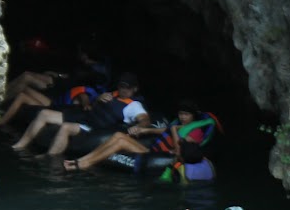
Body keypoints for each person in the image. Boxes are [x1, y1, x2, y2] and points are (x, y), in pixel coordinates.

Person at [11, 74, 144, 157]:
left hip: (95, 128)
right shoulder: (112, 94)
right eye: (122, 86)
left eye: (128, 88)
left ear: (134, 89)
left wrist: (140, 127)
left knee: (66, 127)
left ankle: (49, 157)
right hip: (84, 116)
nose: (124, 90)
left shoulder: (134, 106)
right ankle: (19, 146)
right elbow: (90, 103)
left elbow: (145, 120)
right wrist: (99, 98)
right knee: (44, 113)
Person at [64, 101, 210, 173]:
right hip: (152, 150)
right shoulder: (178, 125)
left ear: (193, 116)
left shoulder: (195, 133)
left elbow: (180, 153)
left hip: (157, 156)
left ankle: (83, 164)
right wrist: (145, 130)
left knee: (120, 141)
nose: (182, 117)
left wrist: (173, 130)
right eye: (181, 114)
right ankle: (82, 161)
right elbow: (163, 131)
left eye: (186, 114)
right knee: (118, 135)